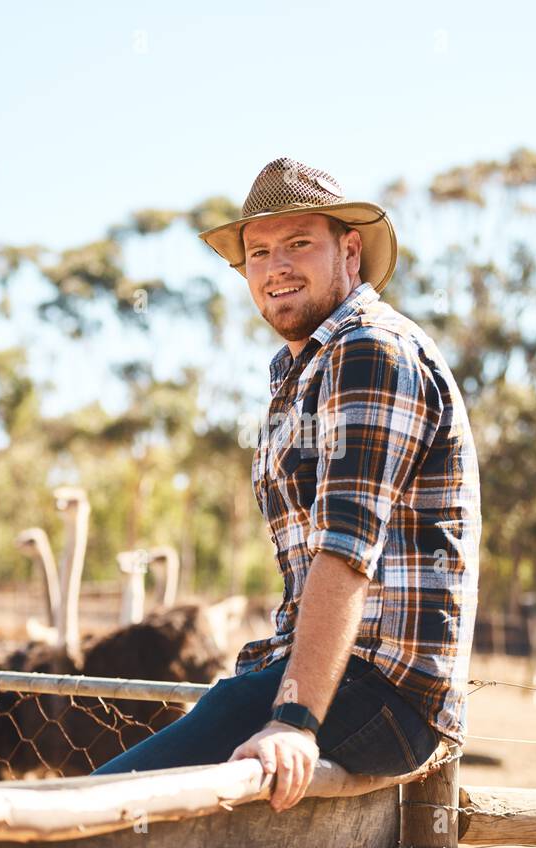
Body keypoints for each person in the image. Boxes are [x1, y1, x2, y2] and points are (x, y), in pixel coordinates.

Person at [92, 157, 480, 813]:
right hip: (332, 675)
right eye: (259, 251)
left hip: (382, 687)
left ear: (349, 251)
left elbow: (346, 547)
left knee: (100, 806)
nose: (276, 266)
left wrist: (295, 719)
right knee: (189, 739)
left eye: (299, 243)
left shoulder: (369, 350)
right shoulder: (301, 369)